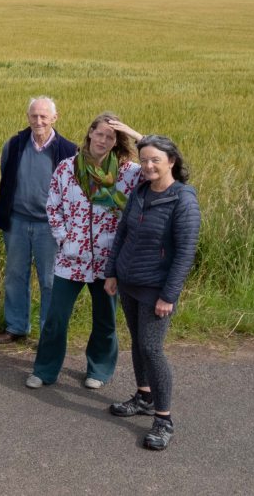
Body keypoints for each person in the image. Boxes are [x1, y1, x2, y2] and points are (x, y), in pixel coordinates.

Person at [27, 113, 141, 390]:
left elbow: (168, 162)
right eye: (99, 133)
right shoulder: (67, 168)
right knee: (56, 317)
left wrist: (136, 134)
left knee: (105, 319)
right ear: (90, 134)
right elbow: (53, 207)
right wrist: (64, 239)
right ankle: (45, 370)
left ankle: (99, 370)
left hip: (108, 261)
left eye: (110, 136)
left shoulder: (129, 173)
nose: (103, 140)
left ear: (117, 142)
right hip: (71, 259)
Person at [105, 135, 201, 451]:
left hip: (156, 289)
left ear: (171, 161)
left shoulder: (183, 199)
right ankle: (144, 396)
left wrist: (169, 295)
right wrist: (112, 272)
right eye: (144, 160)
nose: (148, 166)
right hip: (130, 282)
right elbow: (123, 233)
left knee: (152, 348)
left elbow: (185, 252)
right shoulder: (141, 191)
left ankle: (163, 419)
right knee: (138, 343)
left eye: (155, 160)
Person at [0, 96, 78, 344]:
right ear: (28, 117)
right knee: (15, 275)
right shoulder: (15, 144)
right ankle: (16, 326)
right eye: (34, 116)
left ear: (54, 117)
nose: (38, 121)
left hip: (51, 227)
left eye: (43, 116)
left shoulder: (69, 151)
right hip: (17, 222)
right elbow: (7, 179)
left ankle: (48, 333)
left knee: (50, 280)